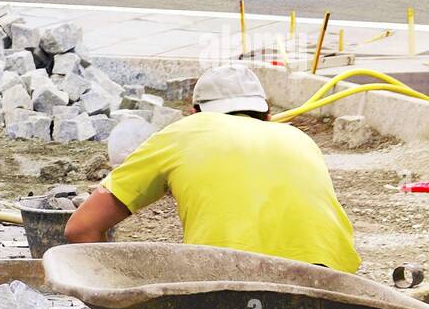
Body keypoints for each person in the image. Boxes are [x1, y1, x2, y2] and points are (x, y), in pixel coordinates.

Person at [64, 64, 361, 273]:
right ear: (268, 114)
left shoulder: (184, 132)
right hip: (332, 281)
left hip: (226, 281)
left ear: (195, 112)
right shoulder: (300, 138)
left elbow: (81, 228)